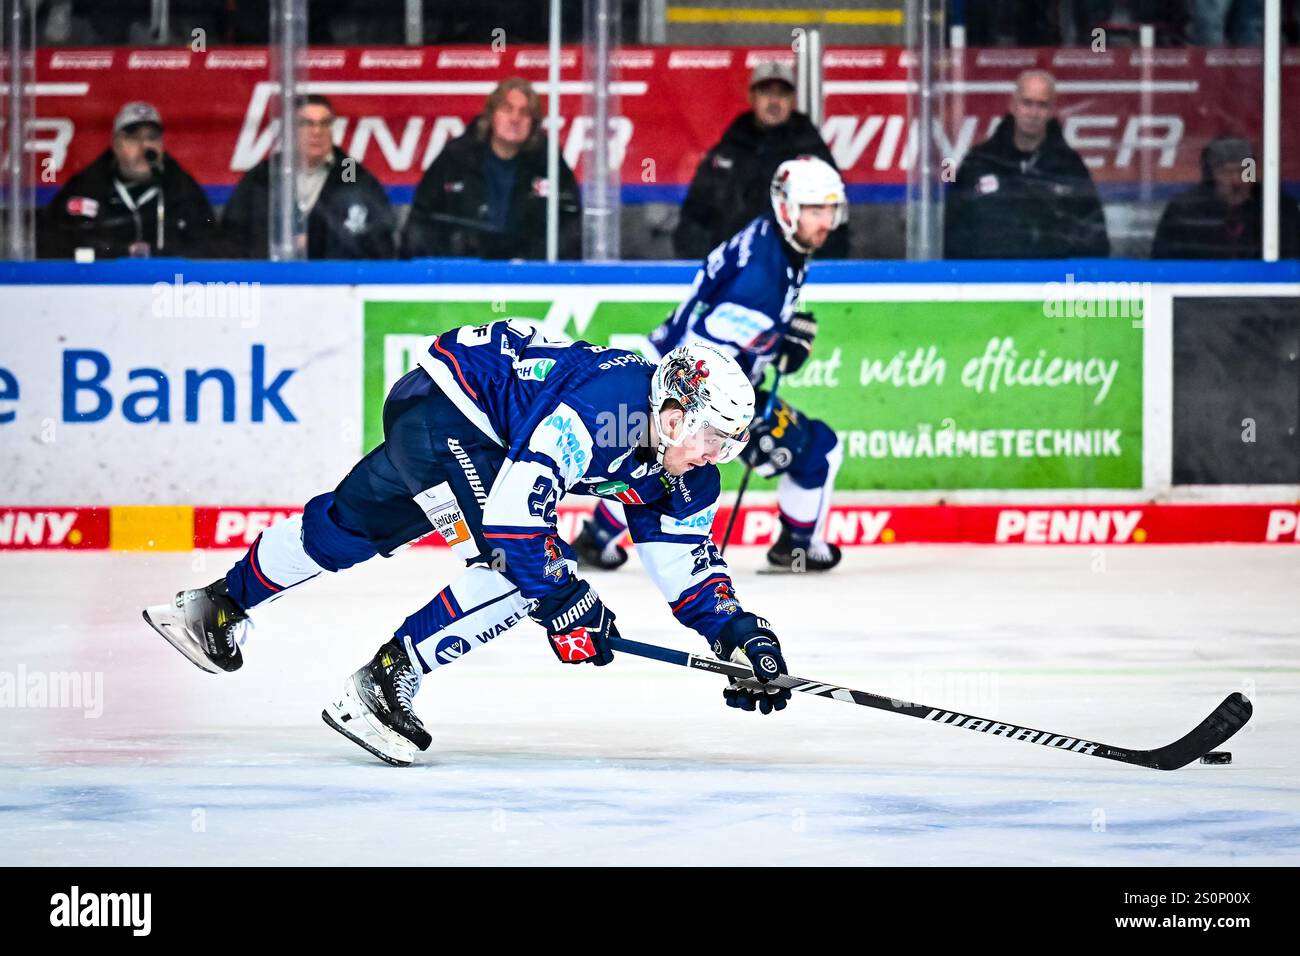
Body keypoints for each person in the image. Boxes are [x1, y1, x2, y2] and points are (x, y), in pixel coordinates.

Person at [143, 324, 792, 766]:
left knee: (351, 525)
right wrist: (564, 598)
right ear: (674, 414)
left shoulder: (683, 467)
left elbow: (684, 561)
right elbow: (515, 518)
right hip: (452, 415)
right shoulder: (608, 409)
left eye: (732, 442)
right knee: (515, 566)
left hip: (439, 406)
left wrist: (738, 633)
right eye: (714, 436)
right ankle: (385, 679)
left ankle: (213, 608)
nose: (721, 455)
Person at [574, 156, 848, 574]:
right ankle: (796, 546)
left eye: (830, 210)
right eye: (814, 210)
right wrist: (780, 345)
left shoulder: (772, 239)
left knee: (653, 461)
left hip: (674, 371)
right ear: (788, 208)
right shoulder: (763, 278)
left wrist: (781, 333)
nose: (824, 221)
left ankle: (595, 538)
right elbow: (709, 347)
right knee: (818, 450)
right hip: (701, 388)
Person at [673, 60, 850, 261]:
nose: (774, 101)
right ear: (751, 97)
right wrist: (714, 267)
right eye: (766, 92)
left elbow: (835, 225)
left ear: (792, 99)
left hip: (794, 273)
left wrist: (817, 273)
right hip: (733, 273)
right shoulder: (726, 153)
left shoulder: (812, 154)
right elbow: (694, 218)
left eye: (782, 94)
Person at [401, 77, 582, 259]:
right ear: (491, 115)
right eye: (507, 109)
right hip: (463, 276)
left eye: (524, 112)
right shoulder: (456, 158)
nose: (515, 118)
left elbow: (572, 226)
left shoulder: (548, 163)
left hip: (529, 277)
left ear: (533, 123)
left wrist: (534, 261)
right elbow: (421, 220)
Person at [944, 70, 1110, 260]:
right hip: (989, 284)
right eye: (1027, 103)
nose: (1033, 113)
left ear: (1052, 111)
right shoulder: (979, 162)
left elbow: (1095, 240)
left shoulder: (1070, 168)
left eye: (1042, 105)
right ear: (1013, 106)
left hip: (1050, 283)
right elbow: (954, 235)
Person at [39, 101, 220, 259]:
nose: (144, 147)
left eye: (152, 138)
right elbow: (53, 246)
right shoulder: (85, 189)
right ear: (115, 145)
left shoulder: (183, 192)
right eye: (133, 138)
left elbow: (209, 249)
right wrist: (119, 252)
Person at [223, 94, 396, 258]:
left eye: (324, 123)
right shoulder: (265, 175)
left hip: (337, 283)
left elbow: (379, 241)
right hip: (272, 282)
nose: (317, 131)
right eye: (307, 123)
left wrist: (315, 242)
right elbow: (232, 236)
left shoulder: (350, 171)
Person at [1151, 136, 1300, 259]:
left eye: (1243, 171)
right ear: (1210, 175)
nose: (1236, 180)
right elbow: (1163, 265)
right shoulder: (1183, 211)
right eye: (1225, 172)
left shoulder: (1280, 209)